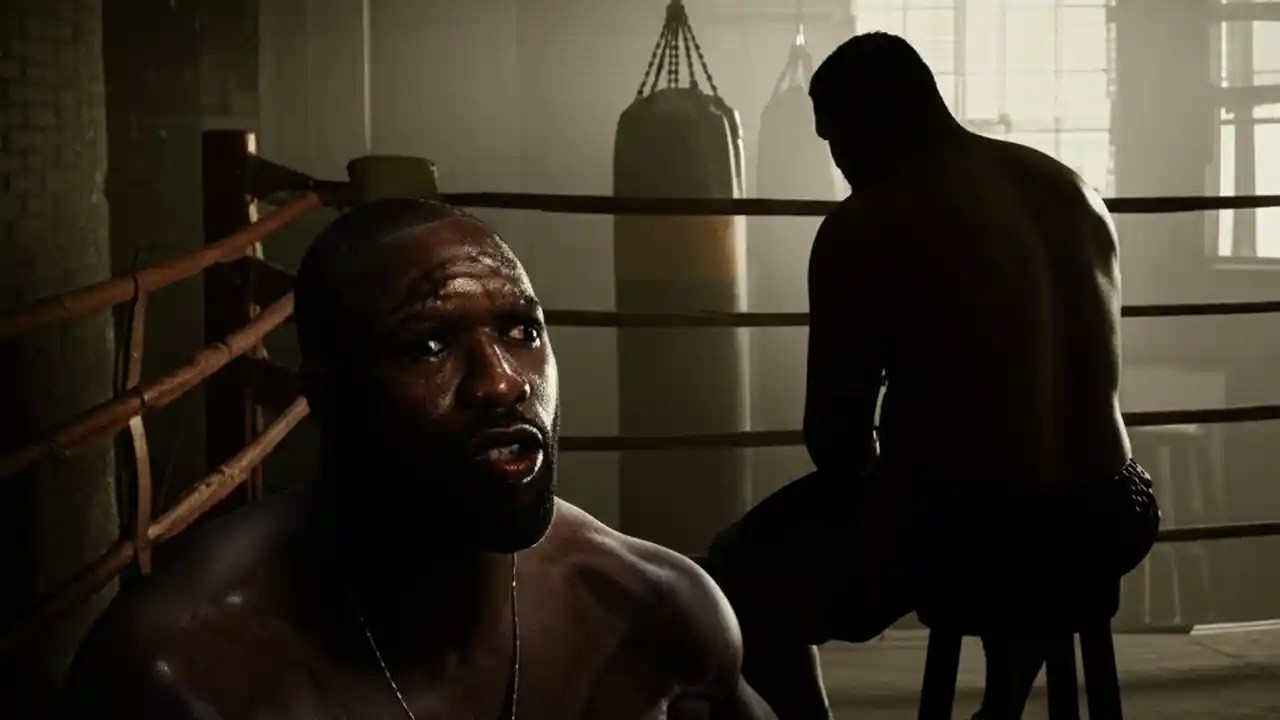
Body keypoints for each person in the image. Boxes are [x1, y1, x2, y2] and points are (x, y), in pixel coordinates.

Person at [63, 199, 775, 720]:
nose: (501, 381)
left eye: (521, 329)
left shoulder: (650, 611)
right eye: (429, 345)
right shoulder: (179, 670)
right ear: (328, 396)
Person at [696, 32, 1161, 719]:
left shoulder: (866, 223)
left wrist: (885, 474)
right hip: (1113, 510)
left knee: (732, 573)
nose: (837, 162)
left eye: (834, 140)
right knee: (1026, 519)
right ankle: (999, 706)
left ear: (865, 122)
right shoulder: (1070, 188)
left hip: (969, 527)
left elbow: (837, 440)